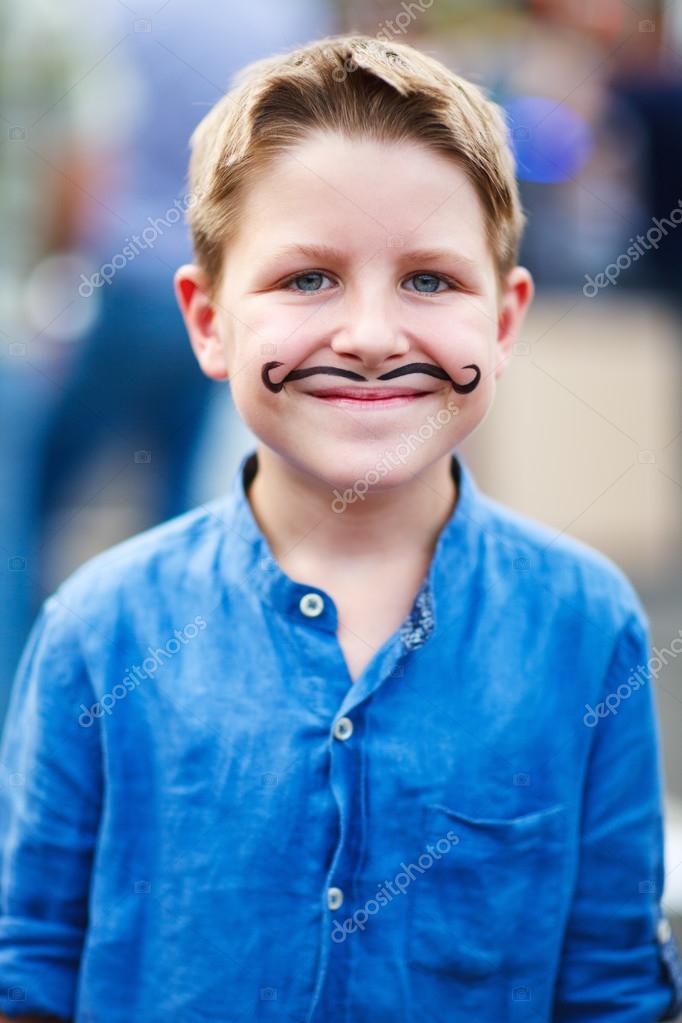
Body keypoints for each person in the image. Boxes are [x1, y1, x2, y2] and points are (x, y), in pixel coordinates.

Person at [0, 34, 680, 1022]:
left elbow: (609, 986)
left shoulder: (586, 625)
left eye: (431, 280)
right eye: (307, 278)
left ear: (503, 321)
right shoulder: (99, 629)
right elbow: (28, 970)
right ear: (208, 321)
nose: (367, 335)